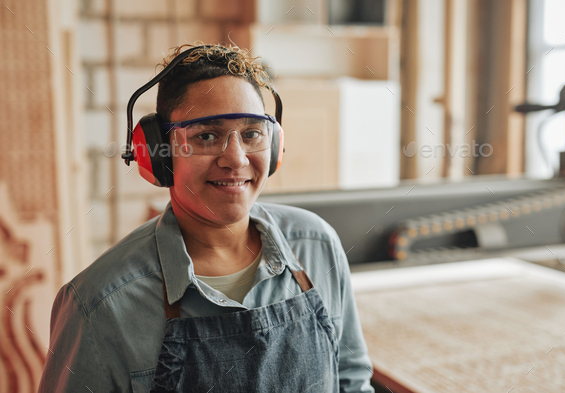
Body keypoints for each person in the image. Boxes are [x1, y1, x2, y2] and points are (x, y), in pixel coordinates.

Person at [38, 43, 375, 392]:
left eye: (251, 133)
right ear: (158, 154)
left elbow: (351, 380)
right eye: (207, 136)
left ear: (274, 146)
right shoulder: (99, 305)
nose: (236, 159)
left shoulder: (316, 246)